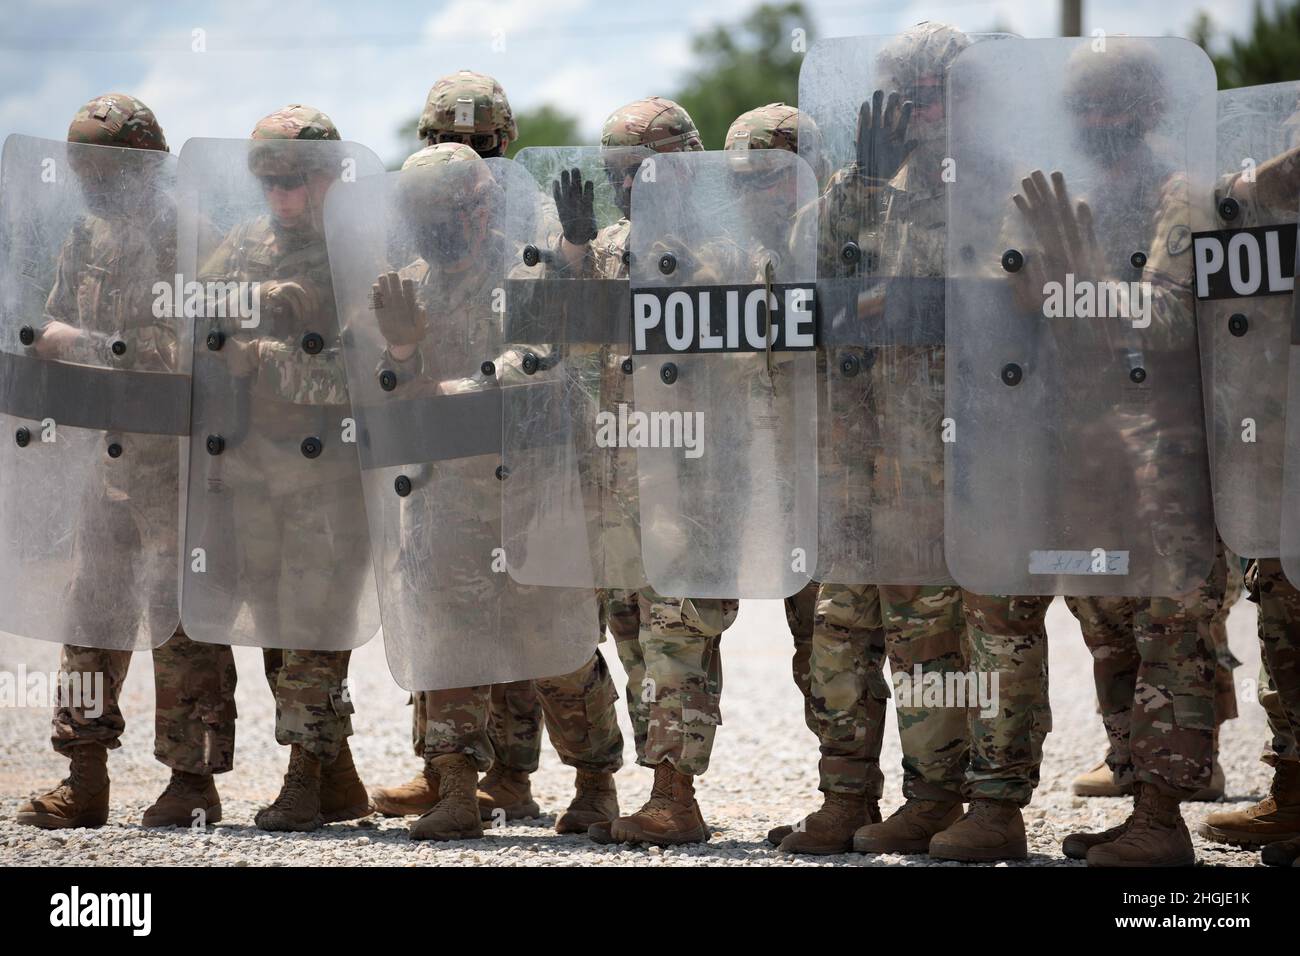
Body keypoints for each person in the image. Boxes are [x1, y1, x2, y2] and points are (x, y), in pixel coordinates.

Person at [15, 93, 237, 831]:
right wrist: (46, 339)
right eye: (86, 167)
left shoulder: (191, 237)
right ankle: (83, 776)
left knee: (180, 621)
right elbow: (55, 319)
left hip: (172, 464)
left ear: (146, 166)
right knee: (93, 612)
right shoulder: (85, 235)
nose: (95, 180)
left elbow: (202, 354)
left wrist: (78, 343)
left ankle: (191, 781)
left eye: (108, 167)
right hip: (100, 459)